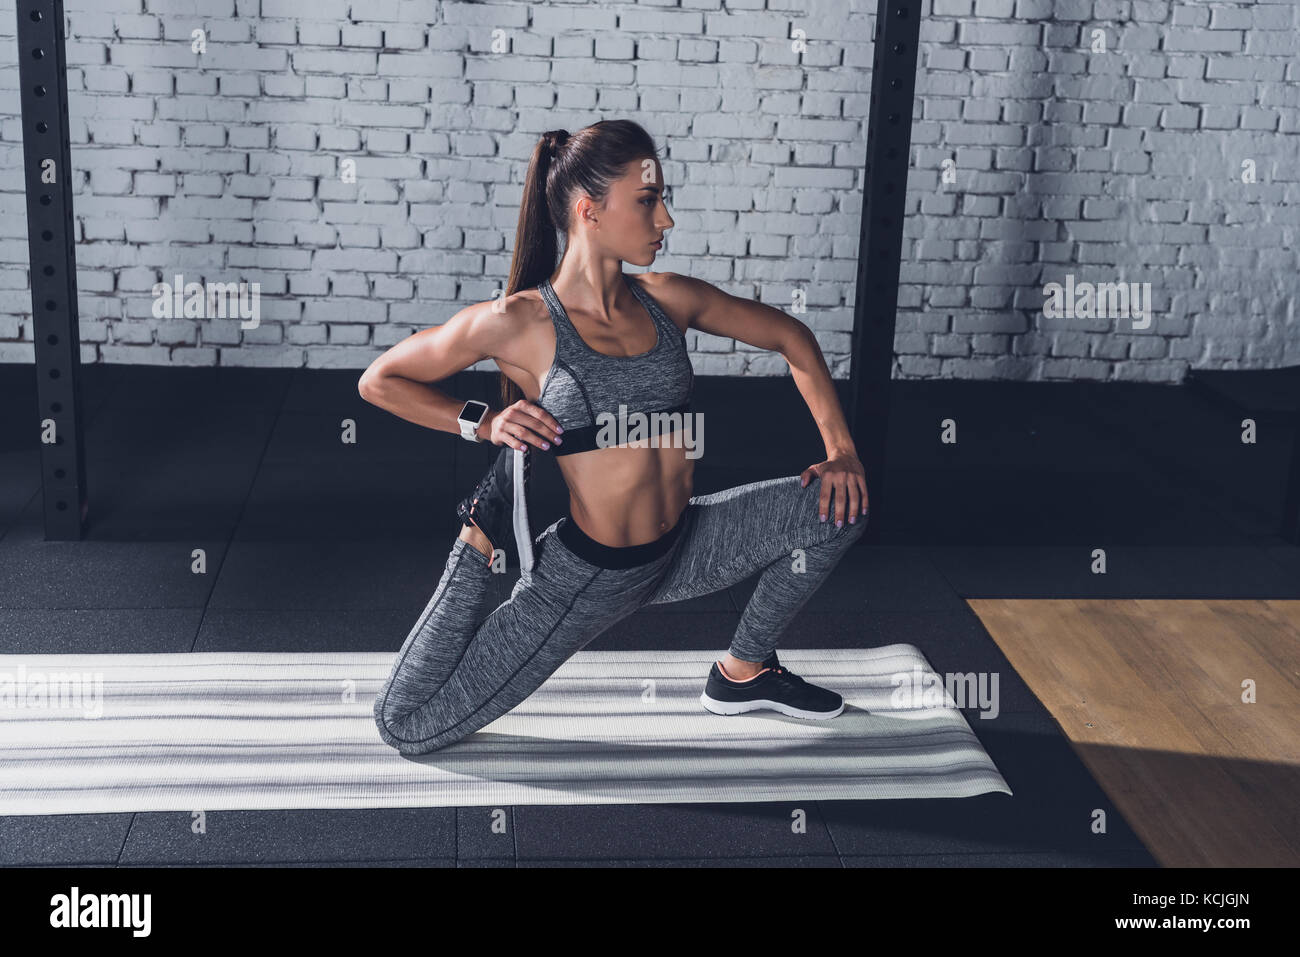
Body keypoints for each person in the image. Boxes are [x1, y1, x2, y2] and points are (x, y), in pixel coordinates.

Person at [359, 119, 868, 756]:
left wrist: (840, 452)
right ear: (588, 210)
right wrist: (482, 422)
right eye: (648, 201)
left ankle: (745, 671)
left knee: (839, 509)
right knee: (406, 726)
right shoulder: (518, 322)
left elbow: (790, 336)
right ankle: (476, 543)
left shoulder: (667, 298)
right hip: (589, 578)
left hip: (684, 545)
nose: (666, 221)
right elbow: (380, 381)